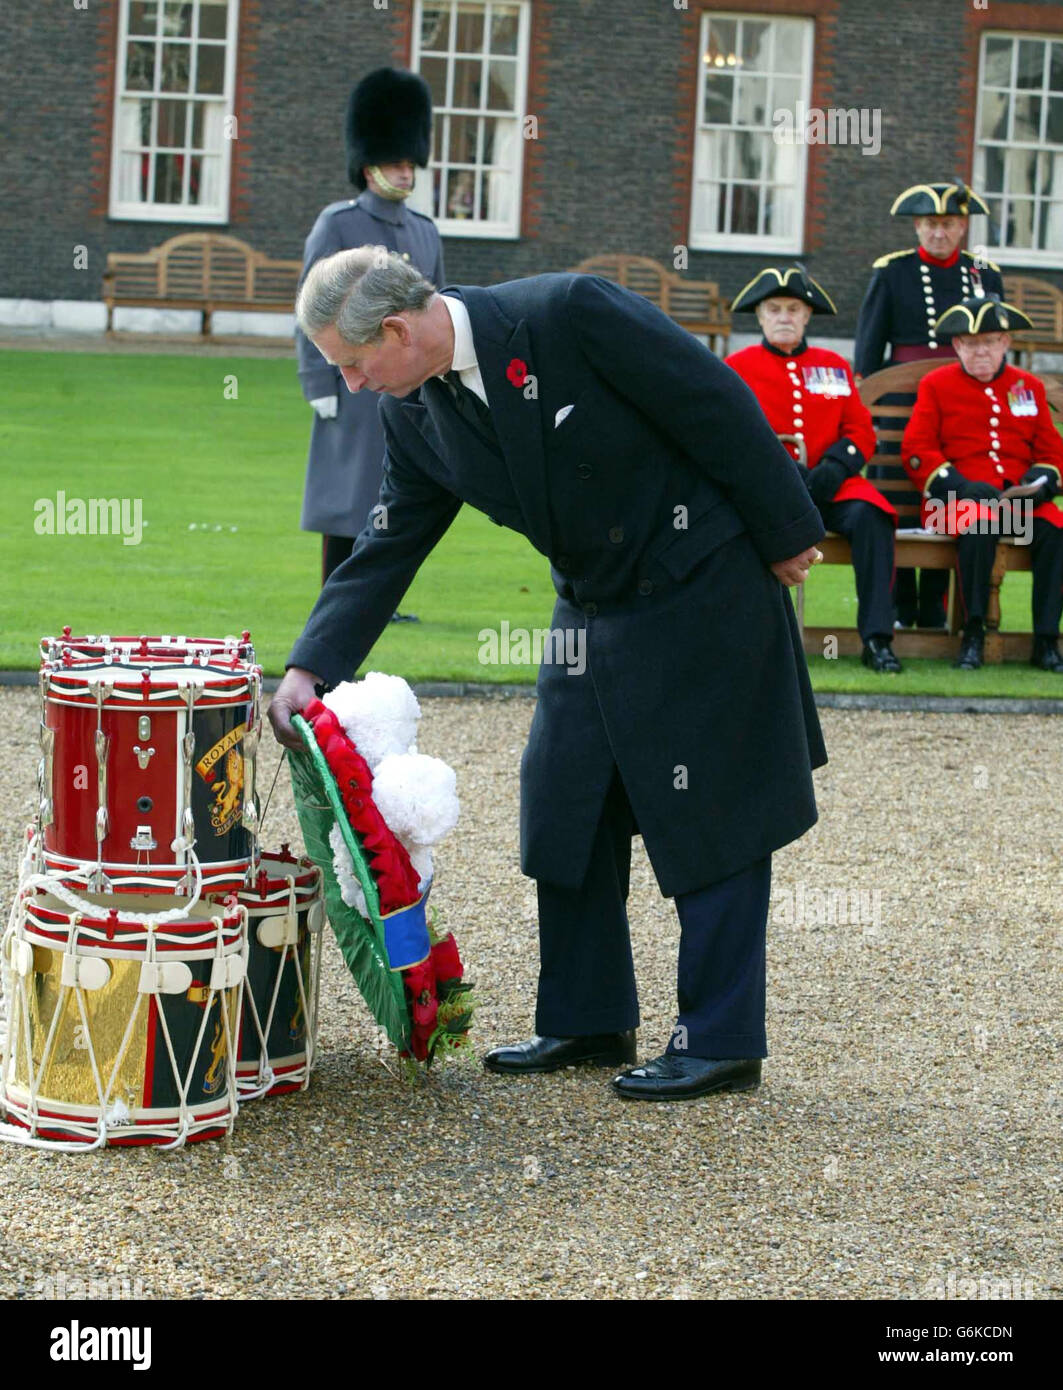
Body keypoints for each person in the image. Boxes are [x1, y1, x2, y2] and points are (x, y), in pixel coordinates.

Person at [269, 247, 829, 1103]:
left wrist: (787, 528)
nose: (350, 385)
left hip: (700, 578)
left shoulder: (570, 312)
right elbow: (389, 542)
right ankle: (587, 1017)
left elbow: (710, 401)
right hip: (592, 602)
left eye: (351, 364)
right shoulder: (414, 413)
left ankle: (719, 1039)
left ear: (394, 328)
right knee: (564, 797)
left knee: (708, 804)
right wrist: (310, 667)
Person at [295, 67, 445, 604]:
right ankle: (336, 596)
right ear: (368, 164)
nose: (405, 174)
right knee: (346, 502)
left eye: (409, 163)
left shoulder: (424, 231)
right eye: (395, 163)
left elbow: (438, 308)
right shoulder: (337, 224)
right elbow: (311, 310)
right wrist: (318, 380)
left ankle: (385, 600)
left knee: (398, 498)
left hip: (407, 391)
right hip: (353, 385)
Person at [726, 267, 901, 673]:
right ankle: (752, 641)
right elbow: (731, 436)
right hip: (769, 493)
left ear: (807, 317)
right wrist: (780, 475)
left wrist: (836, 466)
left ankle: (877, 639)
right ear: (760, 317)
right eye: (775, 309)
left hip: (831, 487)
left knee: (873, 517)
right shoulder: (736, 366)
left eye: (794, 309)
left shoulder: (834, 365)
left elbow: (861, 430)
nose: (784, 316)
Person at [854, 181, 1005, 631]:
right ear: (917, 227)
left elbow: (994, 337)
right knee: (896, 498)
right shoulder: (892, 270)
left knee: (945, 495)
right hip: (898, 396)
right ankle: (900, 603)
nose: (939, 233)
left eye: (949, 224)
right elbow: (868, 345)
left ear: (962, 227)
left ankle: (936, 604)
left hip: (960, 397)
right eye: (930, 224)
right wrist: (868, 395)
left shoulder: (984, 273)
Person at [902, 295, 1063, 672]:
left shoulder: (1028, 387)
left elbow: (1052, 453)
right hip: (954, 505)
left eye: (989, 342)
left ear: (1005, 343)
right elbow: (916, 448)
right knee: (980, 525)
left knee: (1056, 531)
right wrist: (959, 484)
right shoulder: (936, 385)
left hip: (1017, 506)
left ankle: (1046, 640)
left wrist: (1039, 485)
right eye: (971, 344)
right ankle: (973, 634)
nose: (980, 352)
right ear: (957, 346)